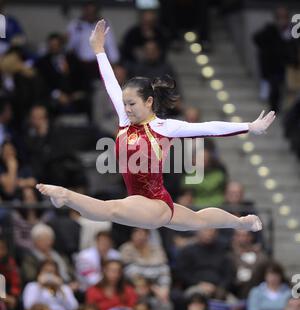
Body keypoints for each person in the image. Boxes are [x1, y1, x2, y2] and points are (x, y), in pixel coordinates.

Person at [36, 20, 276, 234]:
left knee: (110, 210)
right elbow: (111, 85)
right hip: (143, 203)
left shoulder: (164, 127)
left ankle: (65, 195)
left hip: (155, 204)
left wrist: (249, 127)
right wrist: (99, 50)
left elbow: (208, 127)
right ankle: (241, 223)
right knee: (199, 220)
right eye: (125, 104)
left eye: (132, 104)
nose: (127, 108)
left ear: (148, 102)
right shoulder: (125, 120)